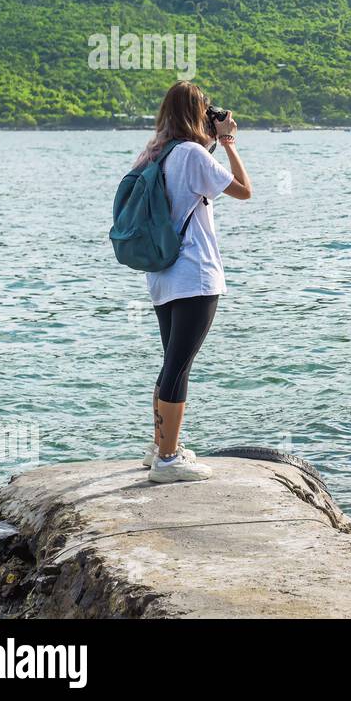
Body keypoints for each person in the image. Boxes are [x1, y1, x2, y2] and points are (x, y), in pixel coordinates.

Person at [131, 81, 252, 483]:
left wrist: (211, 143)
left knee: (171, 364)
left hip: (162, 276)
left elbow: (188, 185)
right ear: (196, 114)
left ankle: (159, 448)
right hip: (195, 275)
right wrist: (229, 140)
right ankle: (167, 461)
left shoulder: (154, 153)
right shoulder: (193, 154)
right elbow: (244, 191)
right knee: (178, 367)